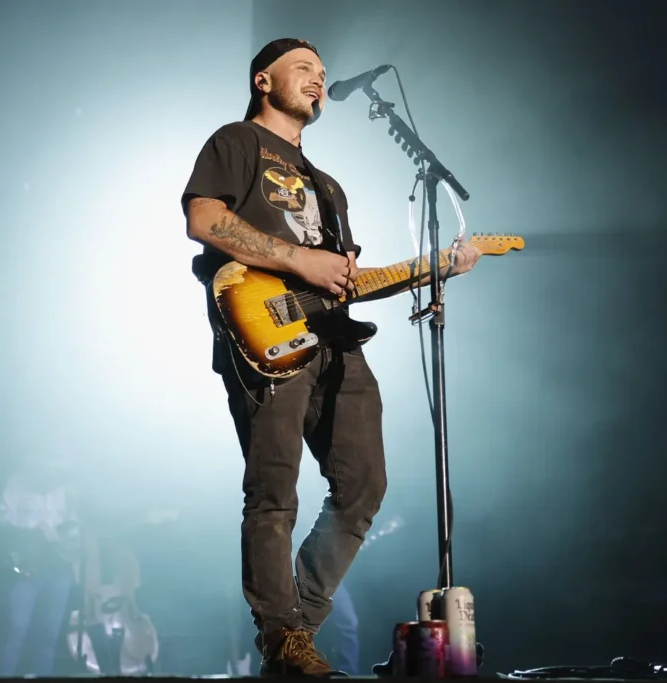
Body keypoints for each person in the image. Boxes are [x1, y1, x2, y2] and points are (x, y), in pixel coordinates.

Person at [181, 38, 481, 676]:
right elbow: (204, 220)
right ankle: (283, 637)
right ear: (263, 80)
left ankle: (296, 630)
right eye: (303, 69)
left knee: (363, 486)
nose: (318, 79)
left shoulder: (329, 186)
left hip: (336, 343)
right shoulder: (236, 141)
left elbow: (344, 280)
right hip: (266, 334)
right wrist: (298, 259)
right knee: (274, 490)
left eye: (322, 72)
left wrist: (438, 267)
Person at [0, 459, 80, 676]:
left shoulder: (66, 488)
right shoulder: (17, 483)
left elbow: (76, 527)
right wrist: (35, 529)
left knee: (50, 634)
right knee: (16, 630)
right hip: (28, 567)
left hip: (59, 567)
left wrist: (63, 538)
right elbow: (4, 519)